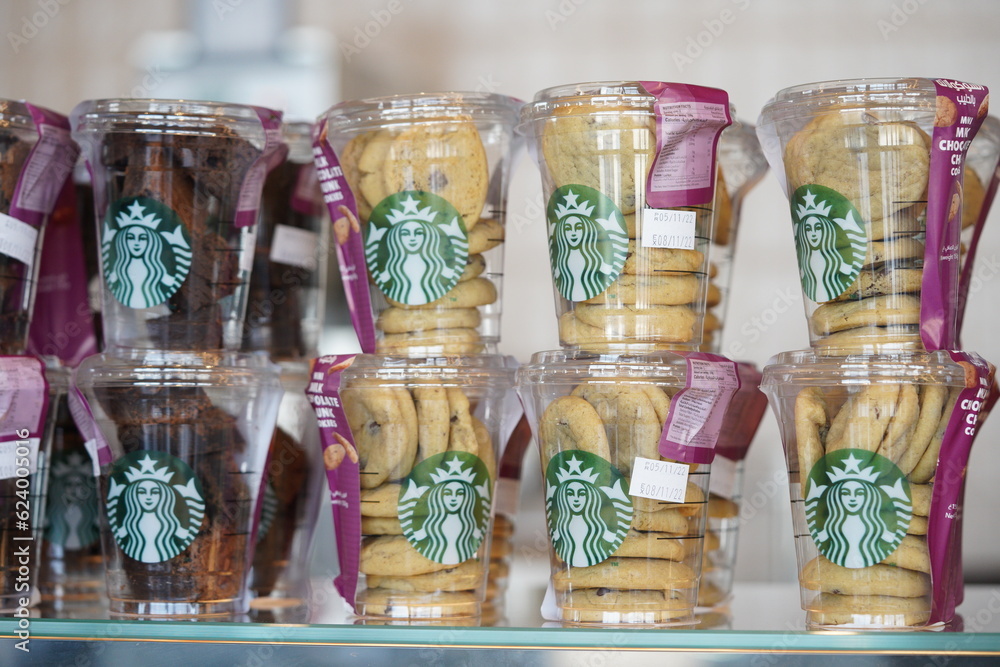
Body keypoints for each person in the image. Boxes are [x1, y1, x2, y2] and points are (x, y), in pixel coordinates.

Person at [818, 478, 895, 568]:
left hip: (872, 574)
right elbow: (820, 538)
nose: (852, 498)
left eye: (859, 493)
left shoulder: (875, 523)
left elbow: (890, 539)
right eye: (846, 493)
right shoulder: (833, 524)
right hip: (841, 570)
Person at [412, 479, 482, 565]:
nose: (453, 498)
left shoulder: (470, 523)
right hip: (431, 564)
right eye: (447, 493)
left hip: (459, 566)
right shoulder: (431, 523)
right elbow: (415, 537)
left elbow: (480, 535)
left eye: (459, 494)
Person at [380, 219, 450, 304]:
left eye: (419, 233)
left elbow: (452, 274)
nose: (412, 238)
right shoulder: (392, 265)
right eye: (405, 234)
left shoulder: (438, 263)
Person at [550, 479, 618, 567]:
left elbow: (613, 539)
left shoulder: (599, 523)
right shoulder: (561, 524)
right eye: (570, 494)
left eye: (582, 494)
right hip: (570, 569)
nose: (576, 499)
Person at [550, 213, 616, 302]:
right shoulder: (561, 259)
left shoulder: (595, 258)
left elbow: (610, 271)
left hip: (603, 296)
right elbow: (557, 275)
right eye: (568, 229)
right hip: (574, 301)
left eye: (578, 228)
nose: (573, 233)